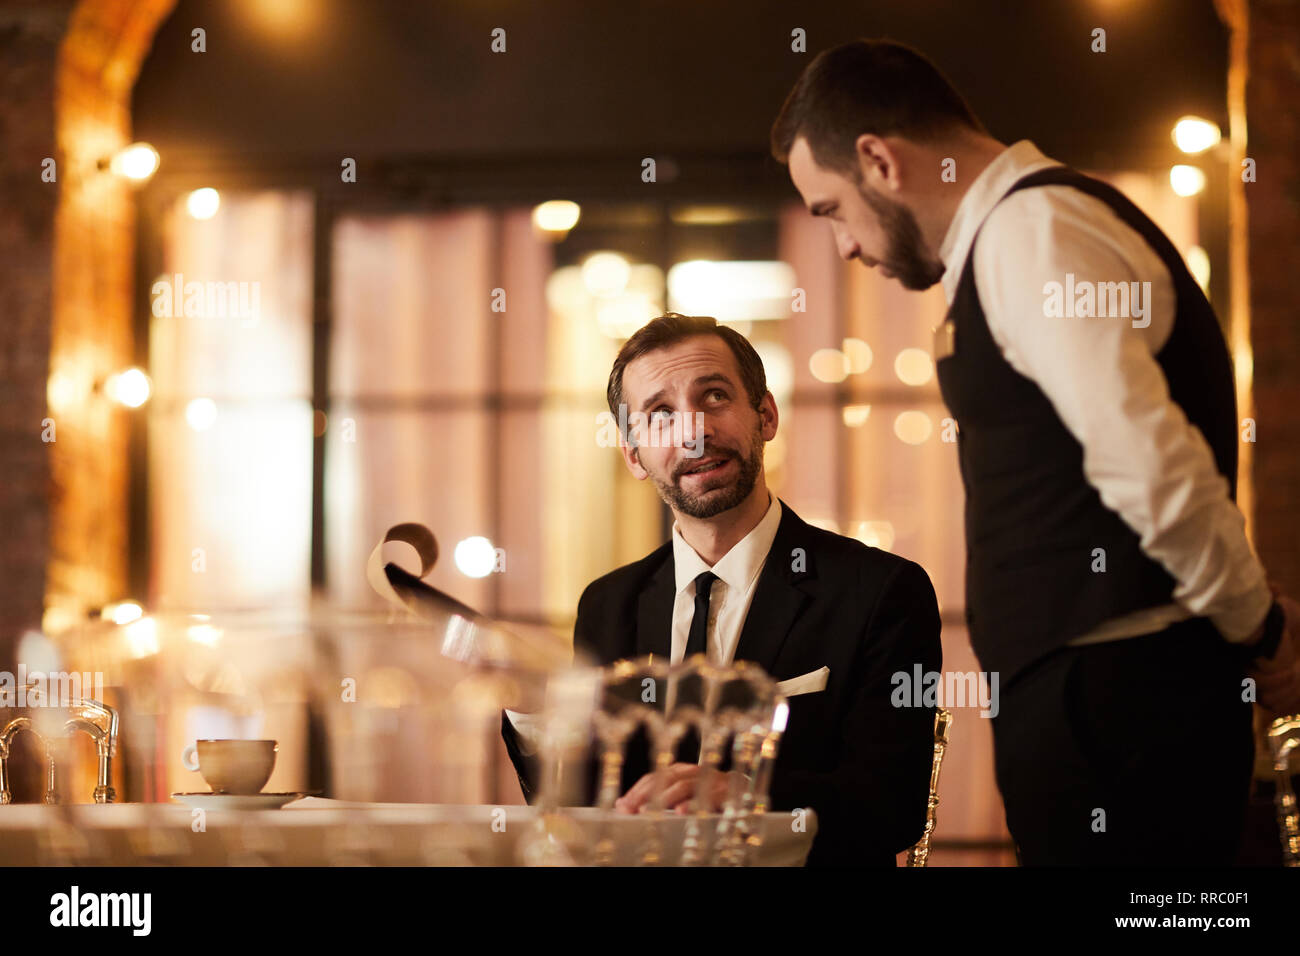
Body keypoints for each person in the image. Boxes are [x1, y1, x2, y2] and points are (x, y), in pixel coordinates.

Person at [771, 38, 1300, 865]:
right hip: (1106, 699)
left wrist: (1258, 631)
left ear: (877, 159)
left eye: (830, 209)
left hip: (1122, 704)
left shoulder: (1032, 229)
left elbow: (1151, 464)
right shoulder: (1014, 237)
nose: (840, 245)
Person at [501, 313, 942, 866]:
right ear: (633, 454)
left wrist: (749, 797)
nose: (693, 432)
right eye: (660, 413)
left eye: (713, 397)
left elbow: (893, 806)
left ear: (766, 415)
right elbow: (586, 808)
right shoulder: (608, 603)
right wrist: (532, 708)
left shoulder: (883, 592)